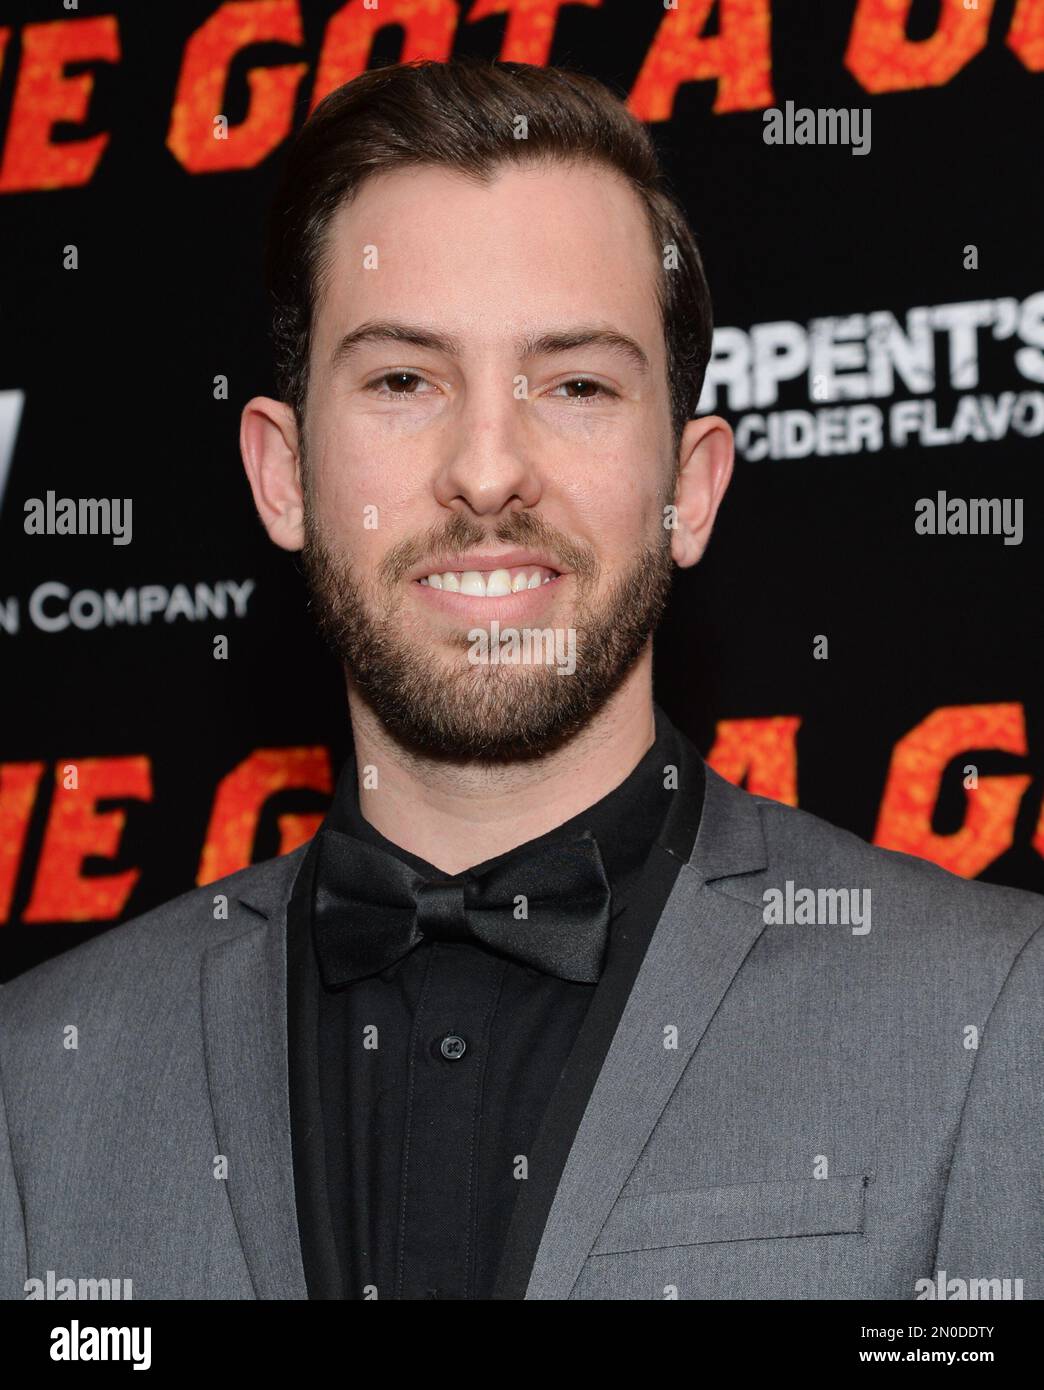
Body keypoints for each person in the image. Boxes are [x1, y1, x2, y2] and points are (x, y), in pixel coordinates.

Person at [1, 58, 1041, 1302]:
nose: (488, 472)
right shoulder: (38, 1078)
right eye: (402, 380)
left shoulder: (986, 1014)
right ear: (284, 475)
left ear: (691, 487)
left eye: (577, 385)